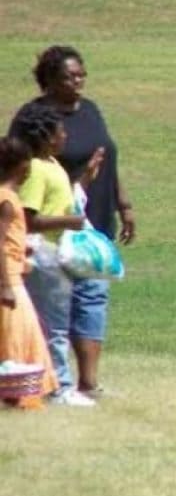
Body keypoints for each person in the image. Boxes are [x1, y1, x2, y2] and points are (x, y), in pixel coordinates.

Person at [10, 45, 134, 399]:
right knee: (54, 312)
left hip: (91, 227)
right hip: (51, 234)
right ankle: (54, 383)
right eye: (70, 76)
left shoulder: (90, 110)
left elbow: (108, 160)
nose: (78, 81)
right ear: (49, 80)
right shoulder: (34, 119)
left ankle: (88, 383)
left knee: (92, 300)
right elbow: (16, 170)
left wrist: (124, 204)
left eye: (82, 74)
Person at [8, 103, 101, 407]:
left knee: (55, 321)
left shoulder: (52, 164)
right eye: (60, 131)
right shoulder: (36, 169)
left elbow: (62, 199)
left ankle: (45, 383)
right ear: (45, 136)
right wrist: (69, 222)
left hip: (57, 252)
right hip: (43, 253)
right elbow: (28, 218)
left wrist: (86, 178)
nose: (65, 136)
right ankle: (58, 387)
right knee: (54, 325)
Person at [0, 136, 58, 409]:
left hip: (14, 272)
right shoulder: (7, 200)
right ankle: (17, 394)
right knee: (17, 336)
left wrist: (23, 249)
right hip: (9, 279)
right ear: (22, 167)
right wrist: (5, 285)